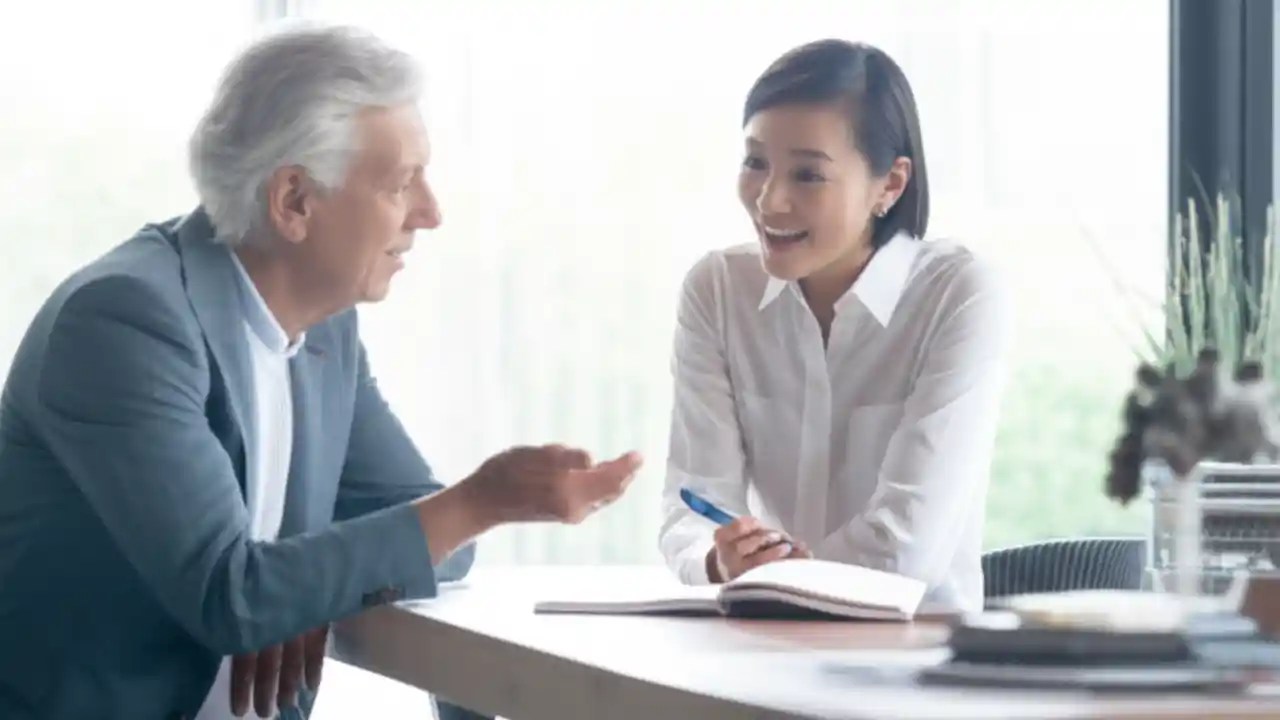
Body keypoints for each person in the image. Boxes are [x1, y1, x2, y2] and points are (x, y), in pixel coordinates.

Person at [0, 25, 640, 720]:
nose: (431, 213)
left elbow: (428, 535)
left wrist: (307, 585)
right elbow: (232, 596)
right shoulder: (124, 322)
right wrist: (481, 500)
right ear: (294, 201)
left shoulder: (325, 327)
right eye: (402, 183)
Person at [658, 39, 1011, 614]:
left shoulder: (958, 294)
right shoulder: (718, 290)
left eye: (808, 175)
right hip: (758, 644)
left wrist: (779, 578)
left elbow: (906, 549)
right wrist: (722, 561)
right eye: (755, 163)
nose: (770, 200)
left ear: (890, 185)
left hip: (913, 665)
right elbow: (692, 502)